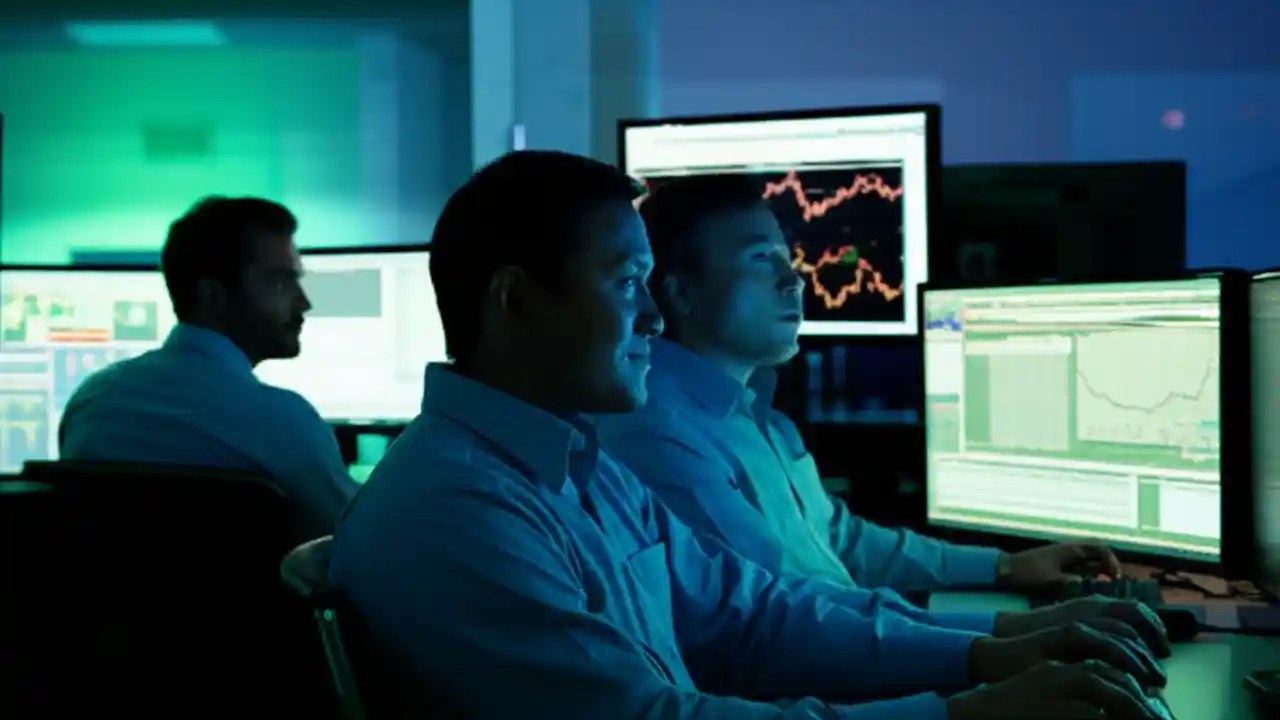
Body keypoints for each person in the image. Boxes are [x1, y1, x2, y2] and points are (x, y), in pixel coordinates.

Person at [330, 150, 1167, 720]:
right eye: (628, 283)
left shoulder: (575, 464)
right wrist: (964, 709)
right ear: (515, 302)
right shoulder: (459, 508)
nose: (651, 316)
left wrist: (990, 657)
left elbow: (754, 615)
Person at [597, 174, 1138, 609]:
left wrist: (1005, 567)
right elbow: (785, 620)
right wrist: (998, 643)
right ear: (680, 293)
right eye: (761, 260)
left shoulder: (756, 416)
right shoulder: (660, 433)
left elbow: (841, 540)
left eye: (789, 260)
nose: (795, 281)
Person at [59, 196, 356, 538]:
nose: (304, 302)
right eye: (280, 281)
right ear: (212, 295)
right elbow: (362, 544)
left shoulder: (91, 402)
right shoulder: (283, 420)